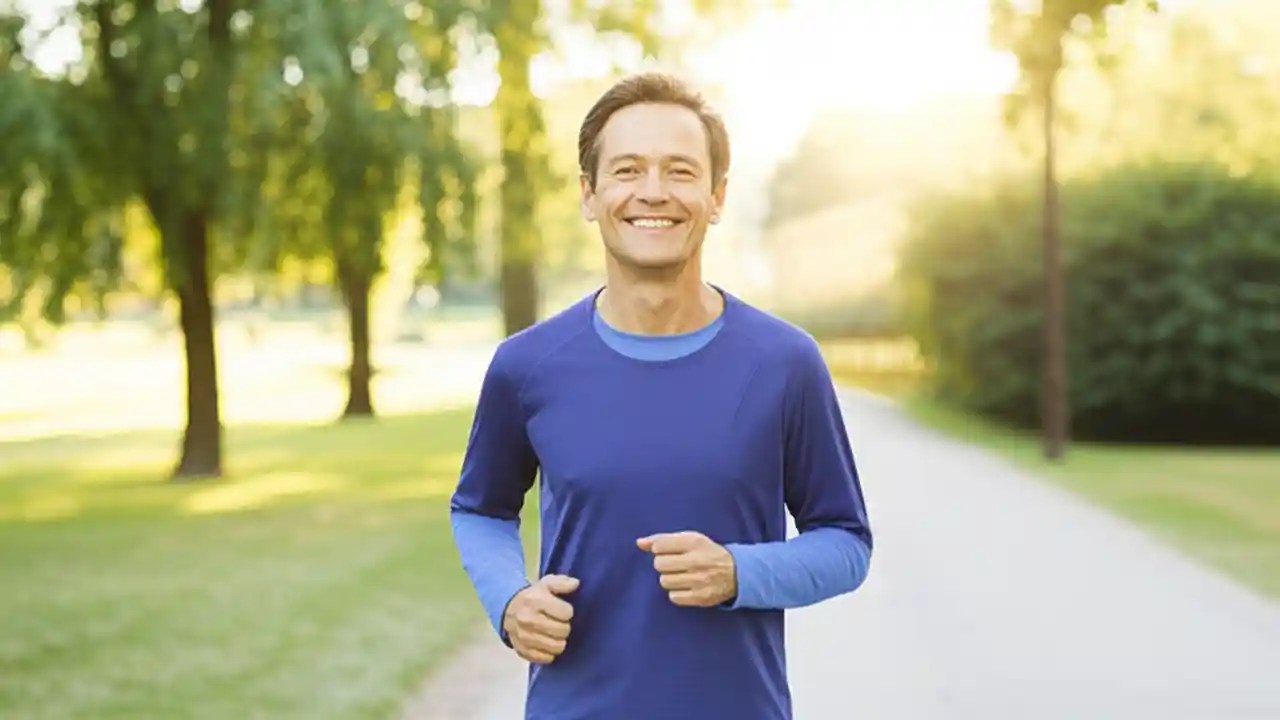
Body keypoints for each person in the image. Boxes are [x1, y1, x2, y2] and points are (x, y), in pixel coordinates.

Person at [450, 71, 873, 720]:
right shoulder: (527, 366)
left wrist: (738, 572)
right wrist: (509, 600)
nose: (653, 193)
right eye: (627, 171)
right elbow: (480, 508)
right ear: (590, 195)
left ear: (717, 196)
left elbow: (845, 542)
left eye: (680, 171)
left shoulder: (785, 362)